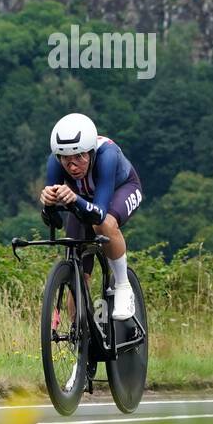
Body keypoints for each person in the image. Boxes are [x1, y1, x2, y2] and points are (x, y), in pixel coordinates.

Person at [39, 112, 143, 325]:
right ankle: (81, 341)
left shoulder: (107, 156)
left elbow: (99, 214)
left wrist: (74, 198)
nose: (73, 165)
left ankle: (123, 285)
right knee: (76, 271)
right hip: (84, 200)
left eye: (79, 157)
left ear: (92, 153)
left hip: (121, 190)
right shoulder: (54, 162)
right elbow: (55, 222)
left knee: (103, 225)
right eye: (66, 159)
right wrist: (48, 206)